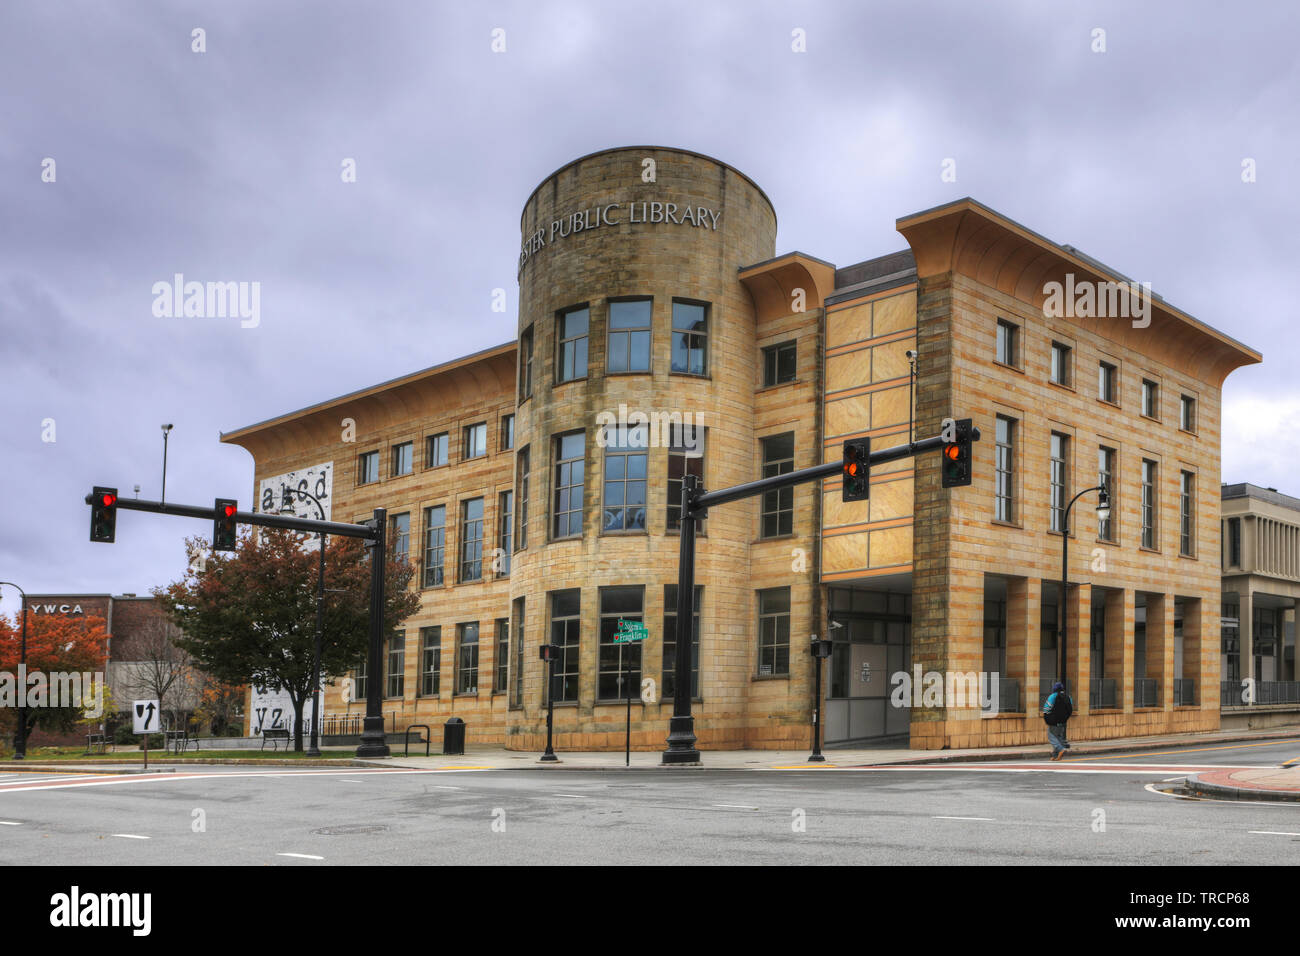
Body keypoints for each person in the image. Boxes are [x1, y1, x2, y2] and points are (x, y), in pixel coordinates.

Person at [1042, 681, 1074, 760]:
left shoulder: (1053, 696)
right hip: (1063, 721)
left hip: (1054, 720)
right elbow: (1070, 708)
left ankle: (1060, 749)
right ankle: (1055, 755)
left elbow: (1046, 709)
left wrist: (1048, 717)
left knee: (1051, 736)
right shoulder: (1068, 697)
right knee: (1058, 736)